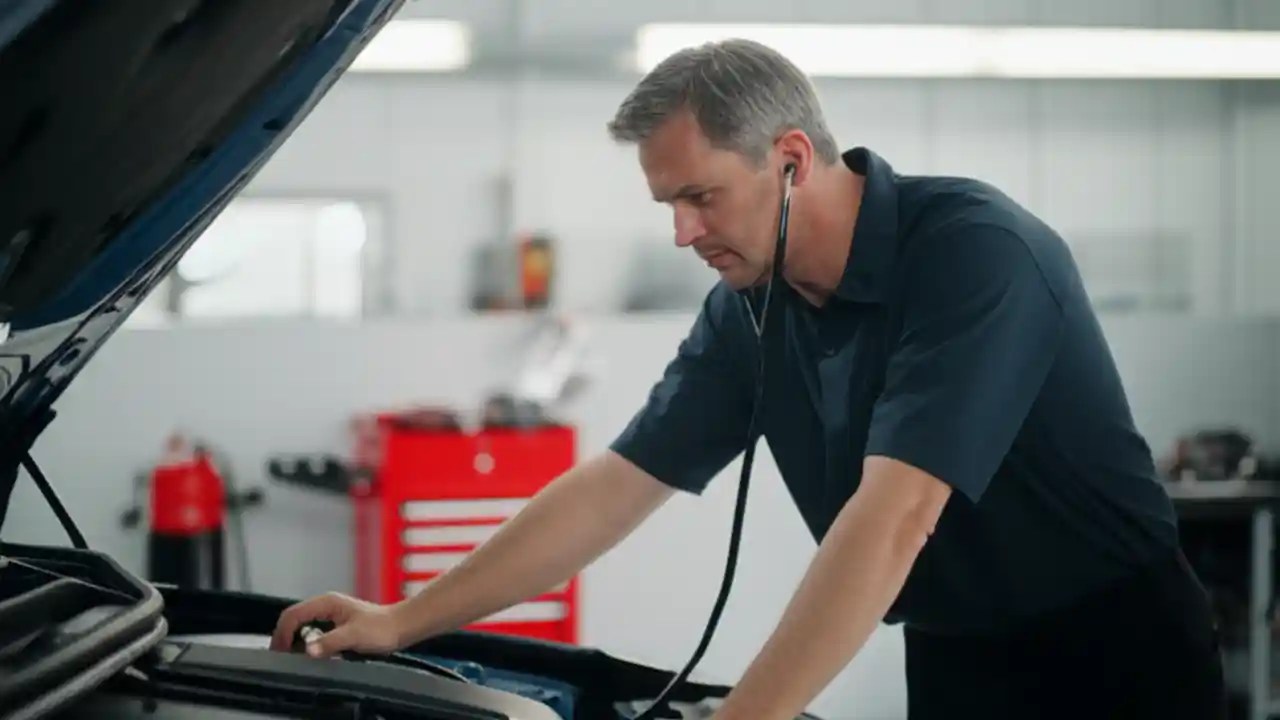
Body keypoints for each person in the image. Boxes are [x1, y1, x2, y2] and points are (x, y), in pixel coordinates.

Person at [272, 39, 1227, 719]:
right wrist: (405, 620)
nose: (681, 233)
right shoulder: (746, 312)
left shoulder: (977, 257)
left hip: (1116, 651)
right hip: (955, 653)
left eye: (700, 196)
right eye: (667, 203)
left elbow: (891, 519)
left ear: (791, 160)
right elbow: (614, 489)